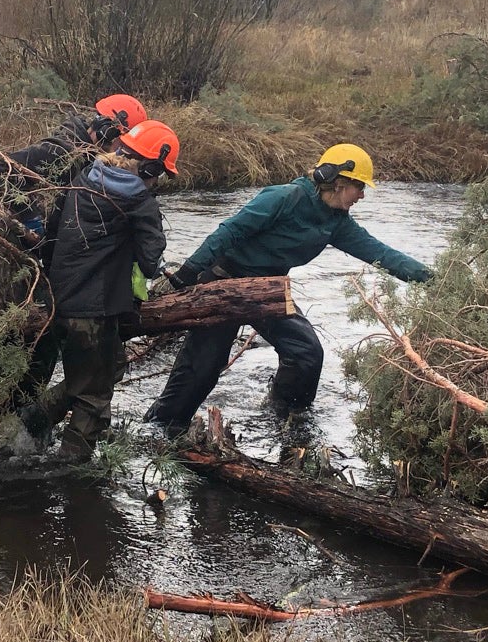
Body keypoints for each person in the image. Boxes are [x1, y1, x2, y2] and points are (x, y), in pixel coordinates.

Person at [142, 143, 431, 442]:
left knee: (306, 353)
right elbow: (231, 230)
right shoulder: (284, 197)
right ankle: (159, 428)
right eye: (359, 186)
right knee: (202, 367)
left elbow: (381, 253)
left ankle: (285, 421)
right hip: (224, 282)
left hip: (269, 291)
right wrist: (190, 271)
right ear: (337, 180)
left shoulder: (337, 223)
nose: (362, 195)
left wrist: (433, 279)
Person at [0, 94, 149, 423]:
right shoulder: (60, 148)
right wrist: (28, 220)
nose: (121, 152)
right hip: (10, 255)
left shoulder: (87, 154)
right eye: (120, 142)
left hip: (31, 257)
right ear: (109, 127)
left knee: (39, 340)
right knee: (31, 338)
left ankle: (13, 421)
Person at [17, 120, 179, 462]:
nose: (157, 181)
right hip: (95, 312)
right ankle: (72, 470)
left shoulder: (82, 180)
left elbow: (50, 238)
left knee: (108, 367)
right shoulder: (139, 201)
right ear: (149, 166)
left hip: (59, 302)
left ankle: (25, 432)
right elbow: (151, 262)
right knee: (94, 396)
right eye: (159, 173)